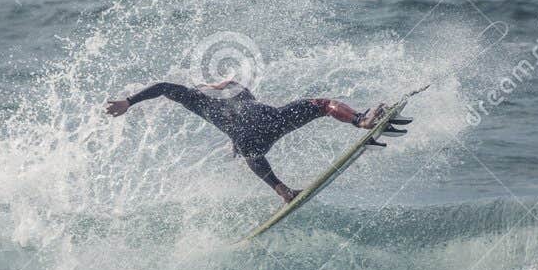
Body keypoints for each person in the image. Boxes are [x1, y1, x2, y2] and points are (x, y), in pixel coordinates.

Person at [105, 79, 405, 202]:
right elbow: (230, 85)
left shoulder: (198, 99)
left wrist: (128, 102)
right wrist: (219, 84)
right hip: (272, 122)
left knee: (248, 151)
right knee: (323, 105)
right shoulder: (239, 91)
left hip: (249, 139)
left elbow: (163, 87)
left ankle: (282, 190)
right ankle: (360, 120)